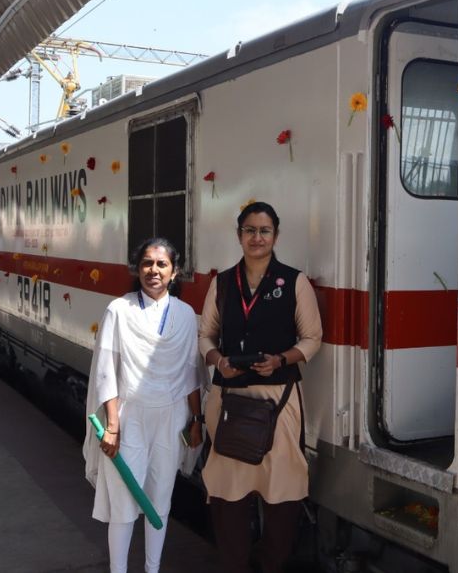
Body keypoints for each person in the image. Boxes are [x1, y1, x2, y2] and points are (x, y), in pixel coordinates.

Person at [198, 202, 322, 573]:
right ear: (239, 236)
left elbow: (313, 337)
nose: (257, 237)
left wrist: (282, 360)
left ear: (276, 236)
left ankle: (270, 564)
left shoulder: (294, 282)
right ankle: (235, 565)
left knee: (282, 491)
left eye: (264, 231)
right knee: (228, 494)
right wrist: (219, 361)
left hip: (279, 402)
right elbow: (205, 335)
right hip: (228, 399)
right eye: (250, 230)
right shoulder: (221, 283)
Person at [83, 237, 202, 573]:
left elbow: (191, 373)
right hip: (128, 419)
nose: (154, 270)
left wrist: (197, 420)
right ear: (138, 269)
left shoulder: (185, 314)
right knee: (123, 503)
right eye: (147, 263)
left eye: (162, 264)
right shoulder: (119, 310)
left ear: (174, 272)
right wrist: (112, 426)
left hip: (172, 417)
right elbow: (107, 372)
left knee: (159, 501)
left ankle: (153, 569)